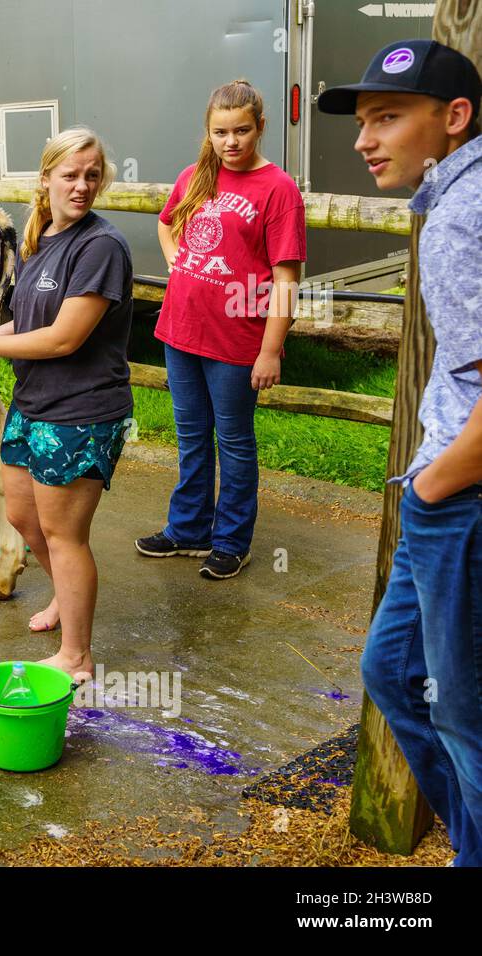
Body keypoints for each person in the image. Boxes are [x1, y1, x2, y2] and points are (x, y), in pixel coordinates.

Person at [319, 38, 482, 866]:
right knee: (393, 675)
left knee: (463, 712)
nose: (363, 139)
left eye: (387, 117)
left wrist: (432, 489)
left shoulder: (462, 217)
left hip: (461, 501)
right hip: (445, 495)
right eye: (363, 121)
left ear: (453, 119)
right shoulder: (453, 200)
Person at [0, 127, 133, 681]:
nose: (83, 186)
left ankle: (77, 655)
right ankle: (63, 602)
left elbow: (64, 338)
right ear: (45, 179)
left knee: (66, 535)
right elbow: (33, 321)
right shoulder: (41, 237)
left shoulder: (102, 247)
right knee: (24, 518)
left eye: (92, 175)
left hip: (82, 412)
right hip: (34, 403)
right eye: (70, 175)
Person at [134, 80, 305, 580]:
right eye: (220, 132)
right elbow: (167, 224)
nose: (231, 142)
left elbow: (287, 279)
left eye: (241, 131)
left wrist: (271, 349)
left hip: (236, 341)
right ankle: (188, 529)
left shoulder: (279, 189)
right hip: (180, 330)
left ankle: (231, 540)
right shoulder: (195, 176)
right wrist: (176, 261)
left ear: (260, 128)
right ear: (208, 132)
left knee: (232, 439)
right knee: (190, 436)